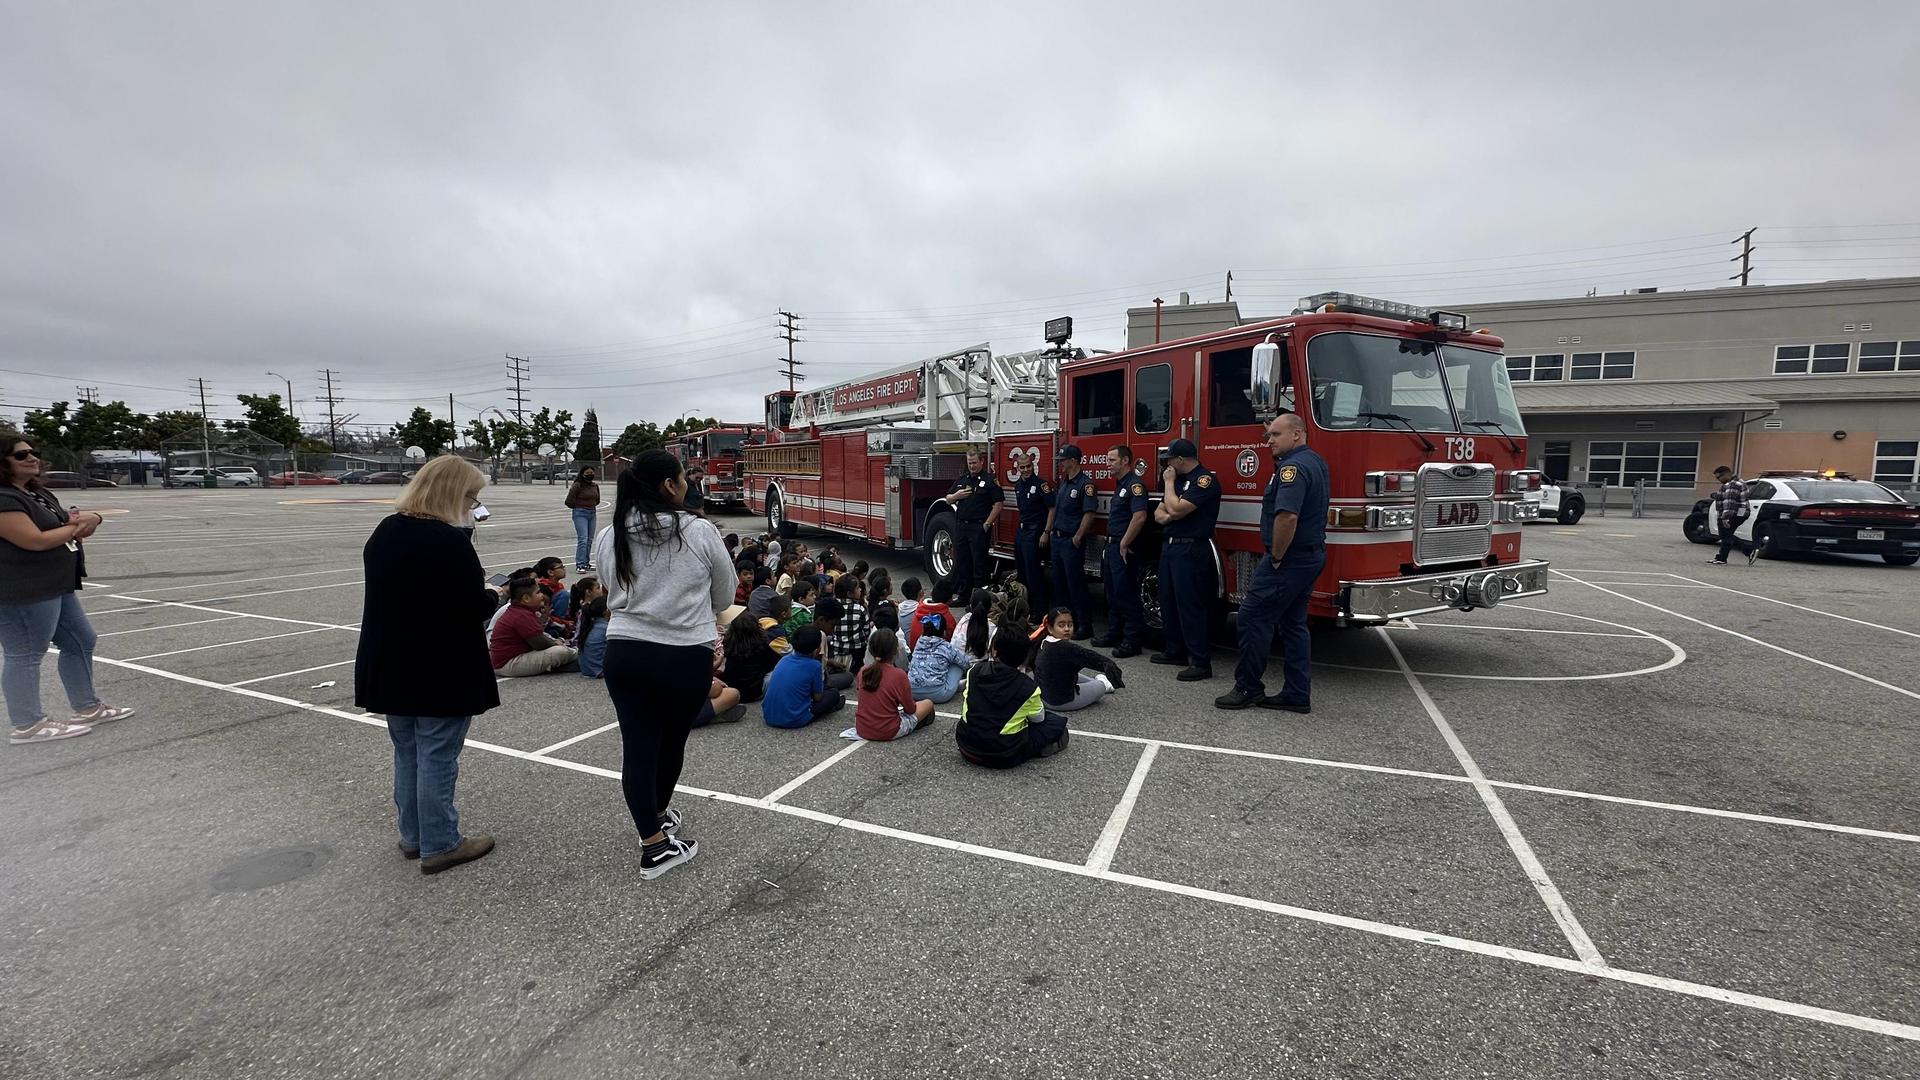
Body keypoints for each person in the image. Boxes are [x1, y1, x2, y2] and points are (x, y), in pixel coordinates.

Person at [593, 449, 735, 879]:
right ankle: (654, 841)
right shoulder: (698, 531)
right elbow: (724, 596)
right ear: (668, 486)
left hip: (625, 650)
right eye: (682, 478)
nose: (688, 484)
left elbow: (607, 586)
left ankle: (652, 830)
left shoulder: (609, 534)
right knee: (671, 742)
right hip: (682, 652)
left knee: (637, 746)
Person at [355, 454, 498, 874]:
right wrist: (494, 595)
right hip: (439, 666)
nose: (473, 506)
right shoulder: (448, 542)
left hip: (390, 662)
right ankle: (441, 842)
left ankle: (414, 835)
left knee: (407, 751)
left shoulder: (386, 531)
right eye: (471, 497)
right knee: (437, 752)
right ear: (452, 493)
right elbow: (469, 606)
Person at [0, 431, 128, 747]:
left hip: (56, 584)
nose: (32, 458)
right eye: (20, 455)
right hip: (23, 589)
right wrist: (73, 528)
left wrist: (93, 517)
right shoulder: (4, 499)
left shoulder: (34, 493)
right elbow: (35, 540)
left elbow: (67, 520)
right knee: (26, 653)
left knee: (81, 640)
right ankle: (28, 723)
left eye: (33, 452)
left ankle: (86, 706)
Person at [1218, 413, 1329, 713]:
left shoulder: (1292, 468)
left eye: (1275, 435)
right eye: (1268, 436)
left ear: (1297, 434)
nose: (1268, 442)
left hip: (1289, 559)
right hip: (1310, 555)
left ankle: (1248, 687)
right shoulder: (1315, 461)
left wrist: (1277, 557)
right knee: (1293, 624)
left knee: (1252, 617)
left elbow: (1287, 516)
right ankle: (1296, 693)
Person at [1152, 438, 1222, 681]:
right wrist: (1173, 509)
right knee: (1168, 601)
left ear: (1180, 460)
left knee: (1190, 605)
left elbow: (1177, 510)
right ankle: (1175, 651)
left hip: (1191, 549)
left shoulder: (1204, 480)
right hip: (1170, 548)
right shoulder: (1180, 481)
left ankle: (1200, 662)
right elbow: (1160, 514)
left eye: (1169, 460)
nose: (1166, 466)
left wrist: (1170, 491)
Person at [956, 626, 1069, 769]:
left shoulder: (974, 671)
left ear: (995, 650)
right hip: (1003, 755)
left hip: (966, 745)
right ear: (1025, 656)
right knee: (1055, 722)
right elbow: (1038, 719)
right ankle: (1037, 749)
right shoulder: (1028, 687)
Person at [1093, 445, 1149, 658]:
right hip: (1112, 545)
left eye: (1112, 460)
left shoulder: (1135, 486)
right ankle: (1114, 633)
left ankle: (1132, 641)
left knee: (1126, 594)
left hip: (1123, 548)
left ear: (1125, 461)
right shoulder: (1121, 485)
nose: (1108, 463)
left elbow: (1140, 516)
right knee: (1112, 593)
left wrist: (1124, 543)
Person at [1043, 444, 1095, 639]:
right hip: (1057, 540)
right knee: (1060, 585)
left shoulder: (1085, 484)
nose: (1061, 464)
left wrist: (1078, 536)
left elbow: (1089, 513)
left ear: (1073, 461)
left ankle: (1084, 624)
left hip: (1070, 541)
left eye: (1063, 460)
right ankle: (1062, 623)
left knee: (1076, 585)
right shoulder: (1064, 483)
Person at [1032, 607, 1126, 712]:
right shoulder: (1066, 648)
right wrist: (1112, 671)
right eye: (1061, 625)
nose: (1067, 629)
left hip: (1042, 696)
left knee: (1074, 674)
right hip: (1060, 702)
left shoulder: (1043, 641)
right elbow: (1092, 658)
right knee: (1100, 686)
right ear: (1050, 628)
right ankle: (1103, 683)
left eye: (1070, 625)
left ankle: (1098, 681)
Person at [939, 449, 1003, 596]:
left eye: (974, 463)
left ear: (981, 462)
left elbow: (999, 504)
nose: (972, 466)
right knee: (962, 562)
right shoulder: (963, 480)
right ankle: (964, 595)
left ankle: (980, 597)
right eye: (969, 463)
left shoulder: (989, 480)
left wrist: (987, 524)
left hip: (978, 527)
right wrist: (957, 495)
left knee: (979, 563)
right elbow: (948, 499)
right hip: (961, 526)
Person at [853, 628, 935, 741]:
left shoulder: (863, 671)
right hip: (888, 731)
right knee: (928, 704)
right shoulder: (898, 675)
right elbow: (910, 710)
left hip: (862, 729)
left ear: (871, 650)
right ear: (895, 651)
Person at [762, 625, 846, 728]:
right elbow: (817, 697)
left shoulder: (784, 659)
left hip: (769, 716)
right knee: (833, 694)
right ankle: (832, 706)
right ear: (817, 649)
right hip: (794, 719)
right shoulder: (815, 666)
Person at [490, 579, 578, 676]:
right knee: (560, 652)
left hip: (510, 658)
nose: (541, 596)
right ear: (526, 598)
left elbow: (539, 635)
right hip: (507, 664)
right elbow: (540, 644)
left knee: (556, 644)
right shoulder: (521, 615)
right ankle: (579, 655)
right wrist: (556, 643)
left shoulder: (520, 610)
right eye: (538, 592)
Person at [1010, 450, 1051, 612]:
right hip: (1021, 532)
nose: (1026, 469)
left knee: (1033, 574)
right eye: (1023, 467)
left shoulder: (1042, 485)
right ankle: (1024, 609)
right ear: (1018, 468)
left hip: (1035, 533)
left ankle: (1039, 611)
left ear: (1033, 466)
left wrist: (1046, 532)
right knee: (1021, 573)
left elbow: (1052, 509)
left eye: (1028, 466)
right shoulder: (1018, 485)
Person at [907, 611, 971, 703]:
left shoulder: (919, 642)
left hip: (913, 692)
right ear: (944, 632)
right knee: (957, 664)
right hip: (939, 694)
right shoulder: (946, 646)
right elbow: (965, 663)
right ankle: (953, 684)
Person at [720, 608, 779, 703]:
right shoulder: (761, 646)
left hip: (731, 689)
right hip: (754, 693)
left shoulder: (729, 644)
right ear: (756, 627)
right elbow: (775, 663)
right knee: (777, 671)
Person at [1708, 465, 1758, 566]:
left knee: (1726, 535)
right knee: (1726, 535)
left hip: (1733, 514)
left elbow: (1729, 503)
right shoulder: (1737, 482)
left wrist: (1726, 517)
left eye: (1719, 477)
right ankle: (1723, 557)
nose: (1718, 480)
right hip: (1740, 513)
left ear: (1726, 474)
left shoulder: (1732, 484)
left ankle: (1747, 551)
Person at [827, 573, 872, 676]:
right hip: (857, 650)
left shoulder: (832, 606)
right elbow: (866, 630)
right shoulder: (859, 609)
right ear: (849, 593)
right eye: (857, 588)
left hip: (837, 648)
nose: (860, 589)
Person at [565, 466, 601, 572]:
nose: (590, 474)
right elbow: (569, 501)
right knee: (583, 539)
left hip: (592, 513)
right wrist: (579, 507)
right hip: (580, 513)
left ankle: (586, 563)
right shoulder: (578, 485)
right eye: (587, 472)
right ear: (582, 474)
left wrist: (591, 505)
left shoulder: (595, 486)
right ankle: (580, 564)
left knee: (589, 539)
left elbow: (597, 499)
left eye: (591, 472)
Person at [571, 577, 609, 678]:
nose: (600, 589)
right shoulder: (586, 612)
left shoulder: (592, 621)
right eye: (597, 588)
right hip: (599, 669)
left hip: (586, 668)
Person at [908, 577, 956, 649]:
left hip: (914, 655)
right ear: (950, 600)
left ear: (931, 593)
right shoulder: (948, 619)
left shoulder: (918, 610)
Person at [956, 588, 995, 661]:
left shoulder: (964, 620)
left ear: (970, 605)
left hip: (958, 663)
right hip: (981, 667)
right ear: (990, 607)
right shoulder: (992, 627)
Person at [867, 568, 898, 641]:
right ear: (885, 590)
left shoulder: (871, 601)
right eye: (890, 585)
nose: (892, 587)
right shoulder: (886, 607)